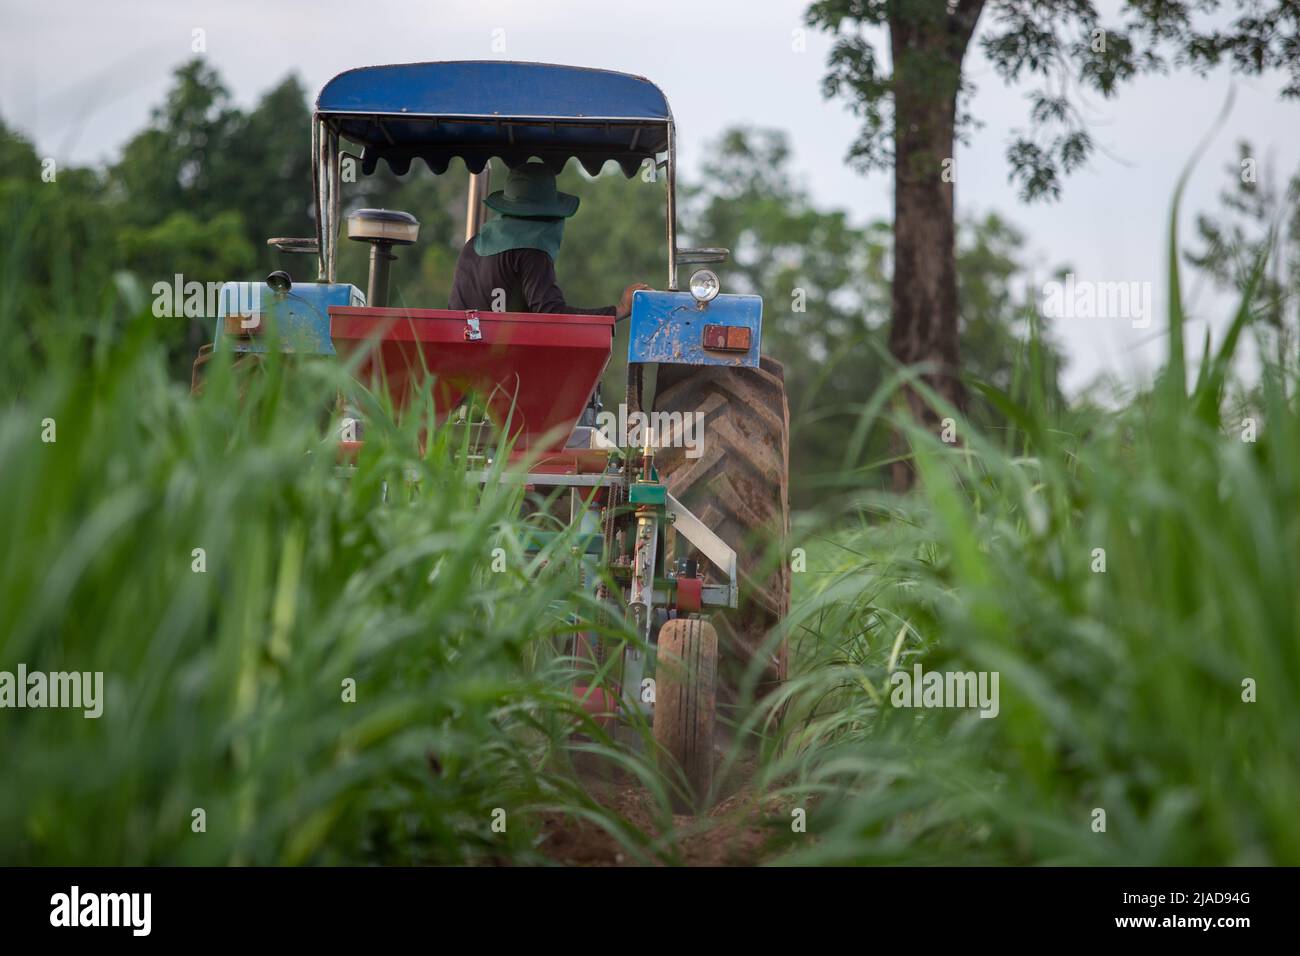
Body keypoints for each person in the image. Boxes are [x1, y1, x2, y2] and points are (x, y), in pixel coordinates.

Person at [449, 161, 649, 318]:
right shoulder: (531, 252)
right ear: (547, 215)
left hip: (461, 360)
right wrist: (620, 309)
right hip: (509, 363)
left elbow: (454, 313)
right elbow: (552, 315)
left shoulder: (471, 246)